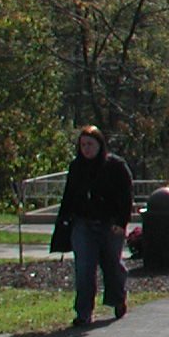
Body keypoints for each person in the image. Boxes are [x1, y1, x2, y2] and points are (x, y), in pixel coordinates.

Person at [54, 124, 134, 326]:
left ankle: (118, 299)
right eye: (82, 145)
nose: (86, 148)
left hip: (110, 224)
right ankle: (83, 313)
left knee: (112, 265)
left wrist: (121, 222)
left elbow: (126, 196)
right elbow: (69, 196)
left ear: (100, 144)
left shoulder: (115, 166)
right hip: (83, 224)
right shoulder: (77, 167)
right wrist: (64, 222)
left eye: (90, 144)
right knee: (84, 268)